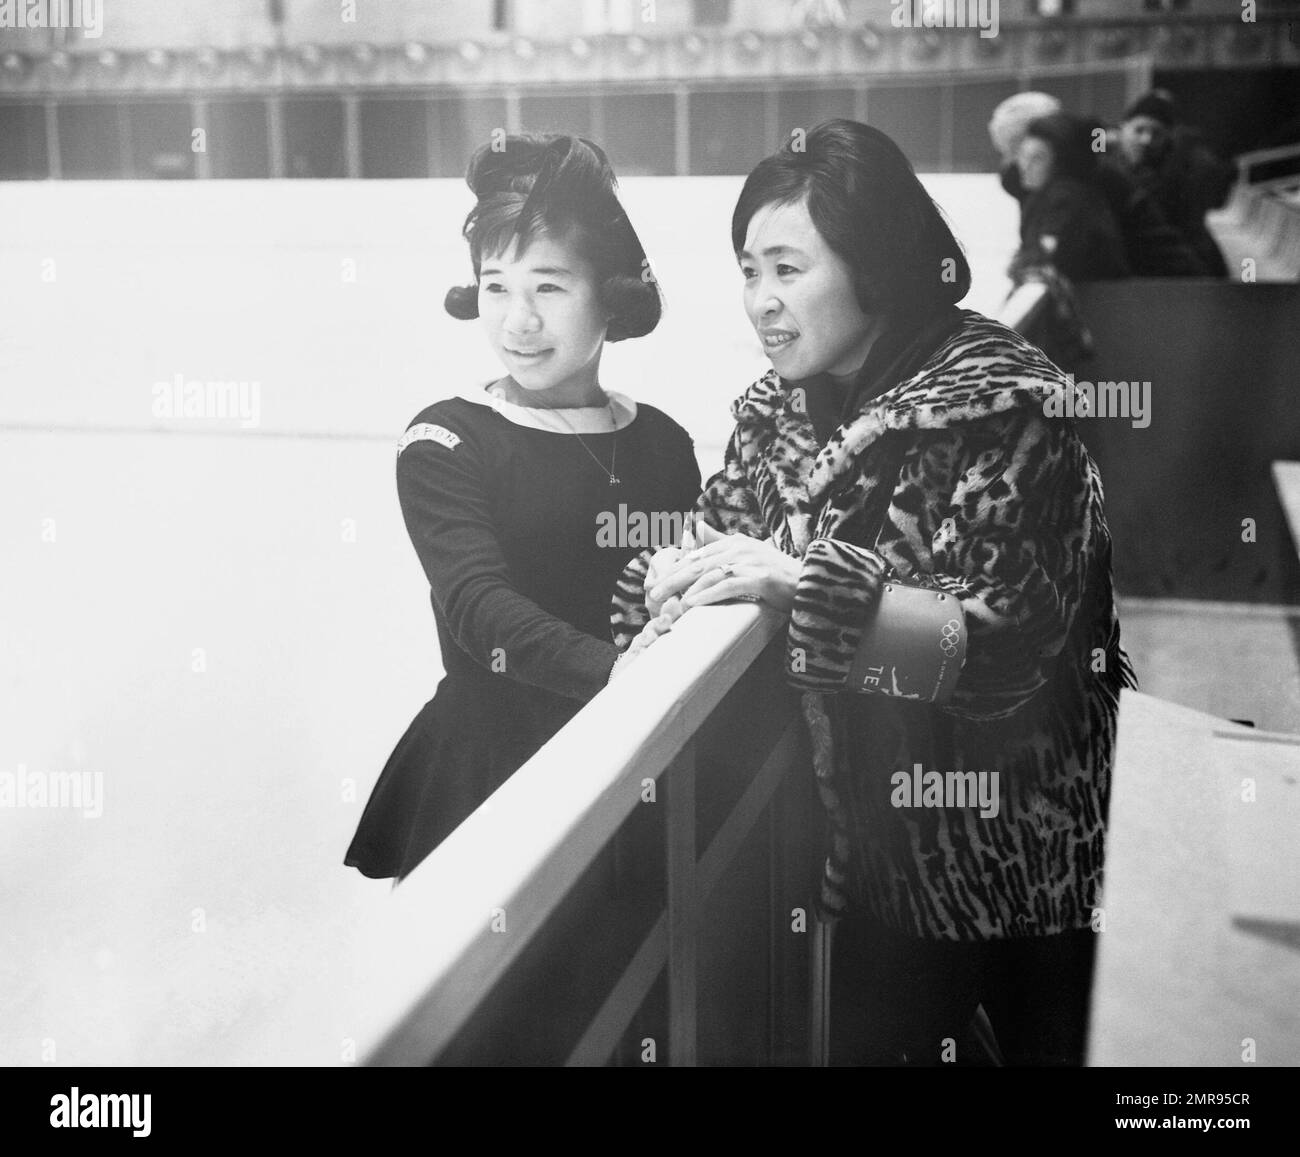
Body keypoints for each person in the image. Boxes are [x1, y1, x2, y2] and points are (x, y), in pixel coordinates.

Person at [616, 120, 1136, 1065]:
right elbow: (713, 532)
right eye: (747, 271)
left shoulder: (1008, 406)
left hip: (1017, 861)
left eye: (788, 269)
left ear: (880, 264)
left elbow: (1005, 651)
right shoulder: (778, 410)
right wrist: (664, 577)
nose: (762, 303)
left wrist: (800, 582)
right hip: (865, 858)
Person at [345, 133, 700, 882]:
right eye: (497, 286)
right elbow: (479, 607)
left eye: (548, 287)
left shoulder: (664, 444)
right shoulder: (446, 441)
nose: (517, 321)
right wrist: (621, 674)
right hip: (490, 771)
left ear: (612, 292)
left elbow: (680, 583)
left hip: (633, 758)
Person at [990, 92, 1206, 277]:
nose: (1020, 163)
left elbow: (1065, 242)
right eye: (1015, 152)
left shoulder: (1081, 182)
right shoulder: (1044, 180)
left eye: (1031, 152)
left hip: (1160, 282)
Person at [1116, 90, 1234, 278]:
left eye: (1156, 133)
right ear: (1123, 129)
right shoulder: (1109, 170)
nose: (1146, 140)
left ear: (1169, 137)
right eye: (1139, 130)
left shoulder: (1184, 173)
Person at [1013, 112, 1129, 283]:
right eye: (1023, 155)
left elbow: (1045, 259)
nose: (1024, 166)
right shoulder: (1041, 197)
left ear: (1060, 163)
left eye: (1037, 158)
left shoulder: (1067, 198)